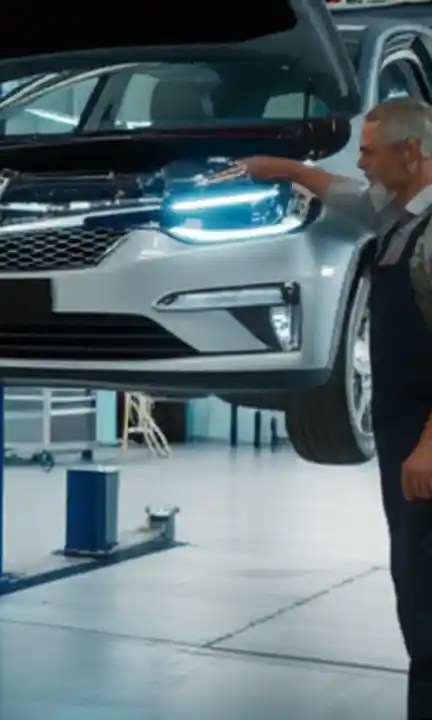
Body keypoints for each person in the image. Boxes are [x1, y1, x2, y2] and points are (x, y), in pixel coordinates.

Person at [242, 97, 432, 720]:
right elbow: (344, 191)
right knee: (413, 584)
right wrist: (289, 169)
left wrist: (429, 443)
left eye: (371, 149)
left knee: (427, 589)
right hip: (404, 434)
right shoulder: (396, 211)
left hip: (425, 443)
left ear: (412, 152)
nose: (361, 159)